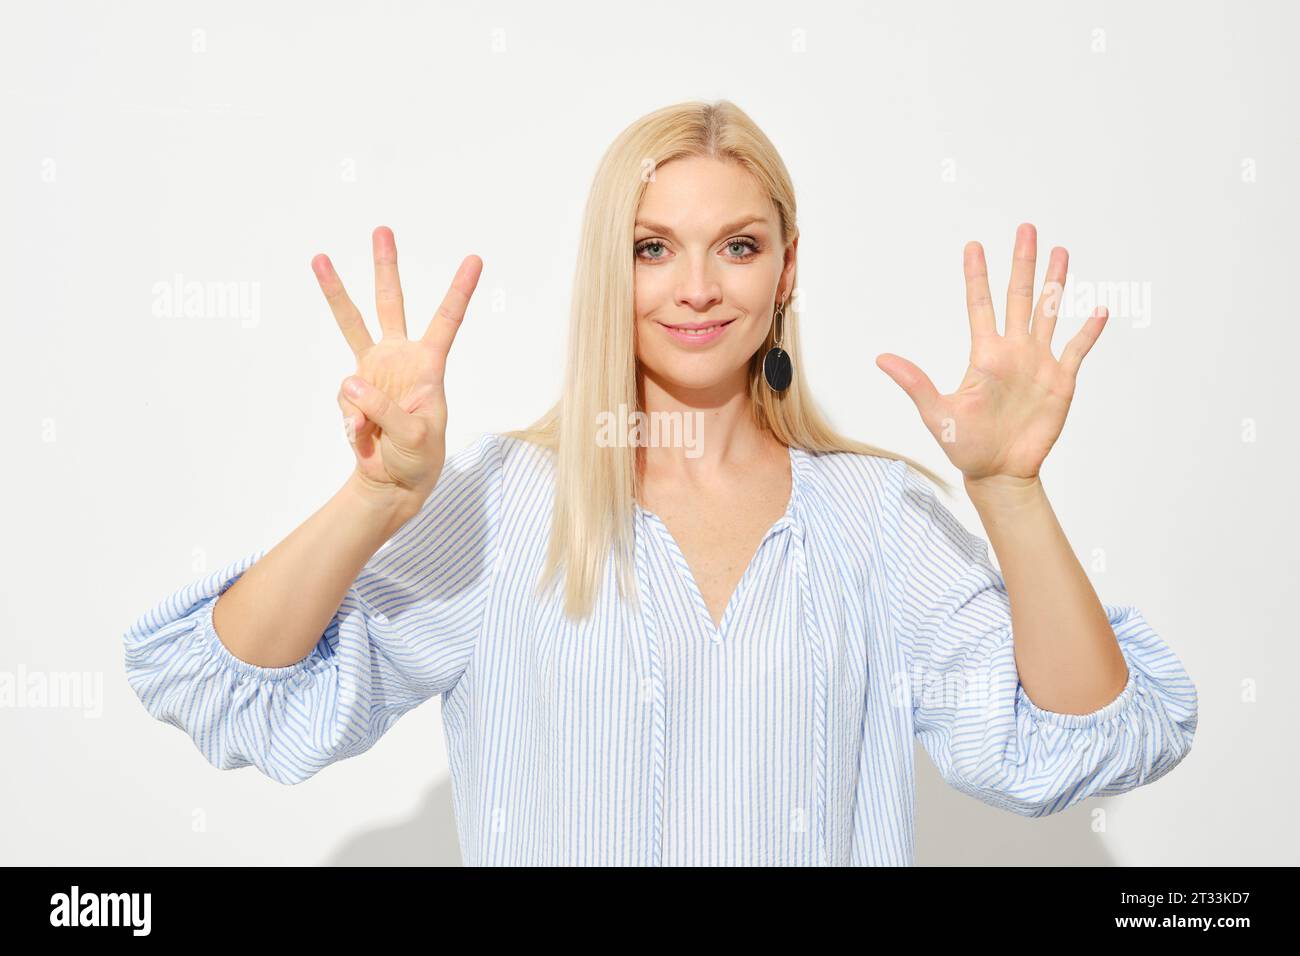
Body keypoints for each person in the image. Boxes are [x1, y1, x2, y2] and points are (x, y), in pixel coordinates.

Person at [122, 99, 1197, 866]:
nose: (694, 287)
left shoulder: (877, 520)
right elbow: (219, 685)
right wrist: (377, 499)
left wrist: (1010, 489)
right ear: (608, 266)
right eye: (651, 248)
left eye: (736, 245)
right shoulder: (509, 503)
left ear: (786, 271)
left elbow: (1083, 741)